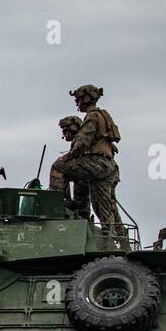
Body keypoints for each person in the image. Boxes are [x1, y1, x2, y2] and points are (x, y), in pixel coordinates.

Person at [56, 85, 121, 230]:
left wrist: (68, 157)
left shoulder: (92, 116)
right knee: (102, 207)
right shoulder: (103, 115)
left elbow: (82, 143)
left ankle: (55, 205)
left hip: (97, 163)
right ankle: (113, 240)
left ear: (85, 99)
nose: (77, 104)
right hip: (106, 166)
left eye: (78, 100)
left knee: (58, 166)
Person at [48, 116, 84, 212]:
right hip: (90, 171)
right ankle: (82, 211)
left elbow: (77, 153)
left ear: (72, 129)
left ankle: (58, 199)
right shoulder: (83, 137)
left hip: (90, 169)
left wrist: (65, 158)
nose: (64, 135)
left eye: (65, 131)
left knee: (57, 166)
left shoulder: (81, 138)